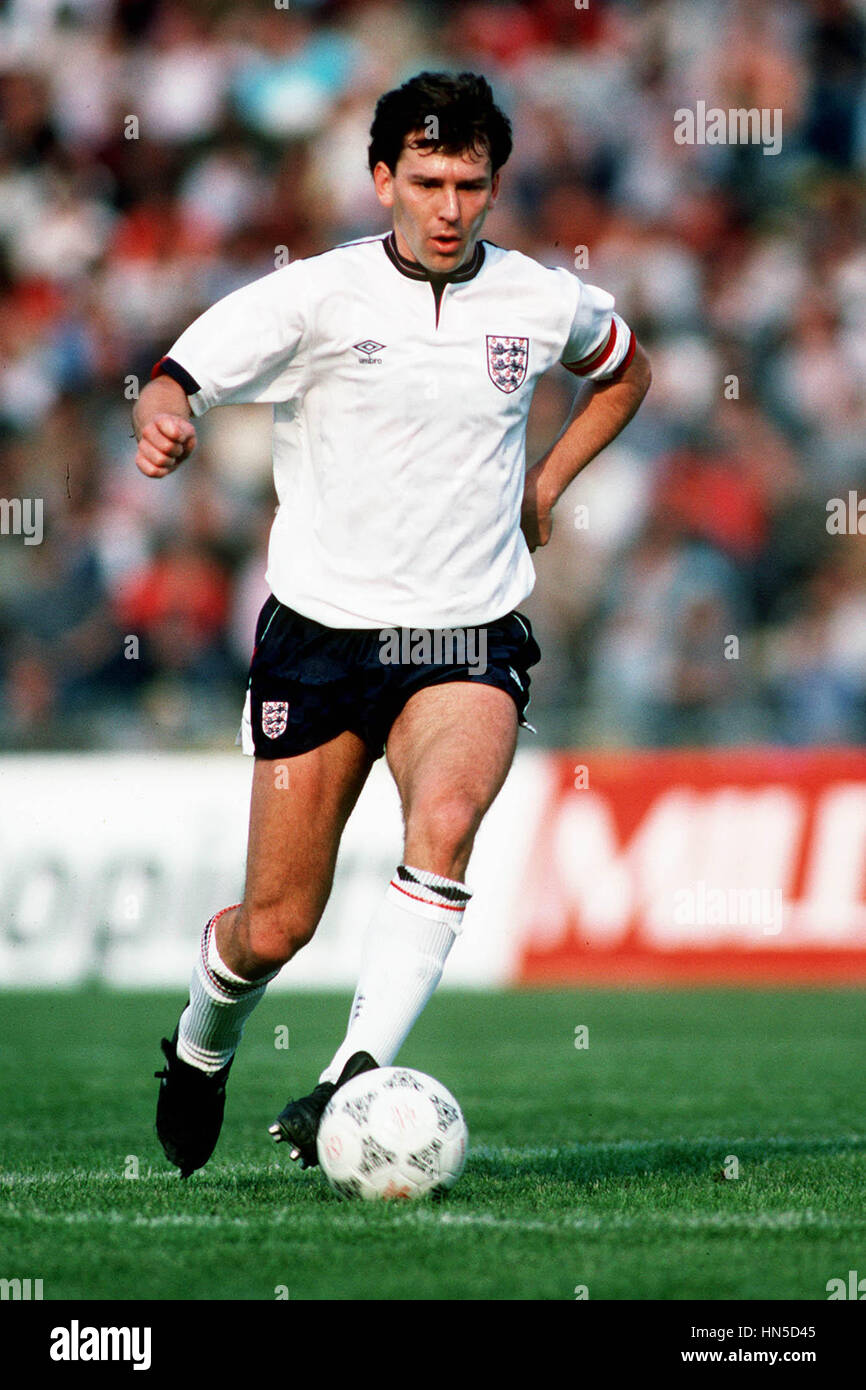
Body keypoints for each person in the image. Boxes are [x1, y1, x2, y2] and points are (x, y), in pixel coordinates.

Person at [133, 71, 651, 1177]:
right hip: (321, 639)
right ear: (381, 181)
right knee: (274, 925)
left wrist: (547, 483)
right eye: (426, 181)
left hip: (467, 633)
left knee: (448, 821)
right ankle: (199, 1041)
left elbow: (621, 372)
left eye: (470, 182)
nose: (449, 206)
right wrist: (168, 417)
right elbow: (173, 377)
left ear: (496, 185)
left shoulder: (539, 301)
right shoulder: (310, 298)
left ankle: (346, 1080)